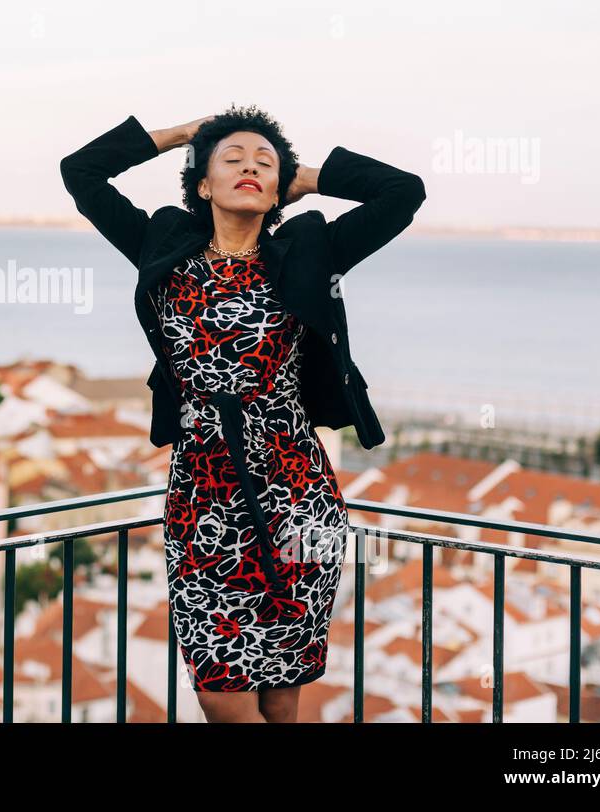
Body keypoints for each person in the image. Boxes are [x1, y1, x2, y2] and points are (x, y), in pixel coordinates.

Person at [59, 105, 426, 722]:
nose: (250, 167)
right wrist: (184, 134)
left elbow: (402, 193)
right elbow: (82, 173)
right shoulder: (163, 244)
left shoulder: (310, 250)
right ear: (202, 183)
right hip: (203, 500)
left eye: (264, 162)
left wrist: (304, 177)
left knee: (283, 697)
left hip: (296, 494)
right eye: (232, 160)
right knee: (218, 691)